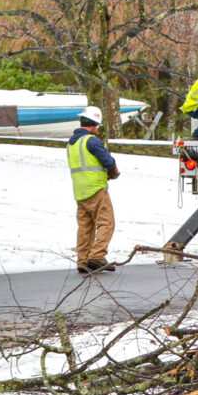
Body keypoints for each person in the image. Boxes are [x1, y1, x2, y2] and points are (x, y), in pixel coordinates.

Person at [68, 105, 121, 275]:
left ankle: (83, 261)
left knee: (85, 227)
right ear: (94, 124)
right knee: (106, 222)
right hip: (96, 189)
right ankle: (97, 256)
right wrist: (114, 171)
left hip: (80, 191)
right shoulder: (91, 141)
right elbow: (108, 161)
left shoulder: (71, 144)